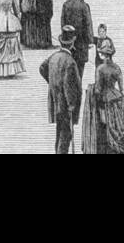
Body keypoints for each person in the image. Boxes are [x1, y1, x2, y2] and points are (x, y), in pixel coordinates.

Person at [83, 39, 124, 154]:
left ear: (103, 54)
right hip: (118, 100)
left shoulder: (100, 69)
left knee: (105, 127)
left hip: (106, 101)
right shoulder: (117, 68)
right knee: (121, 126)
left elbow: (97, 90)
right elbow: (121, 88)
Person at [38, 25, 82, 154]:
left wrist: (52, 83)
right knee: (65, 135)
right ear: (72, 42)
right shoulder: (70, 62)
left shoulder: (54, 57)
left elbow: (42, 68)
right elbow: (69, 87)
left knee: (60, 132)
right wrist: (71, 106)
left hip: (55, 101)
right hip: (66, 105)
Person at [59, 0, 93, 80]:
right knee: (79, 70)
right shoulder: (84, 6)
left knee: (68, 69)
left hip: (68, 42)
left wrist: (65, 37)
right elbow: (88, 24)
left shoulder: (66, 4)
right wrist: (90, 41)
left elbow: (62, 23)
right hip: (81, 44)